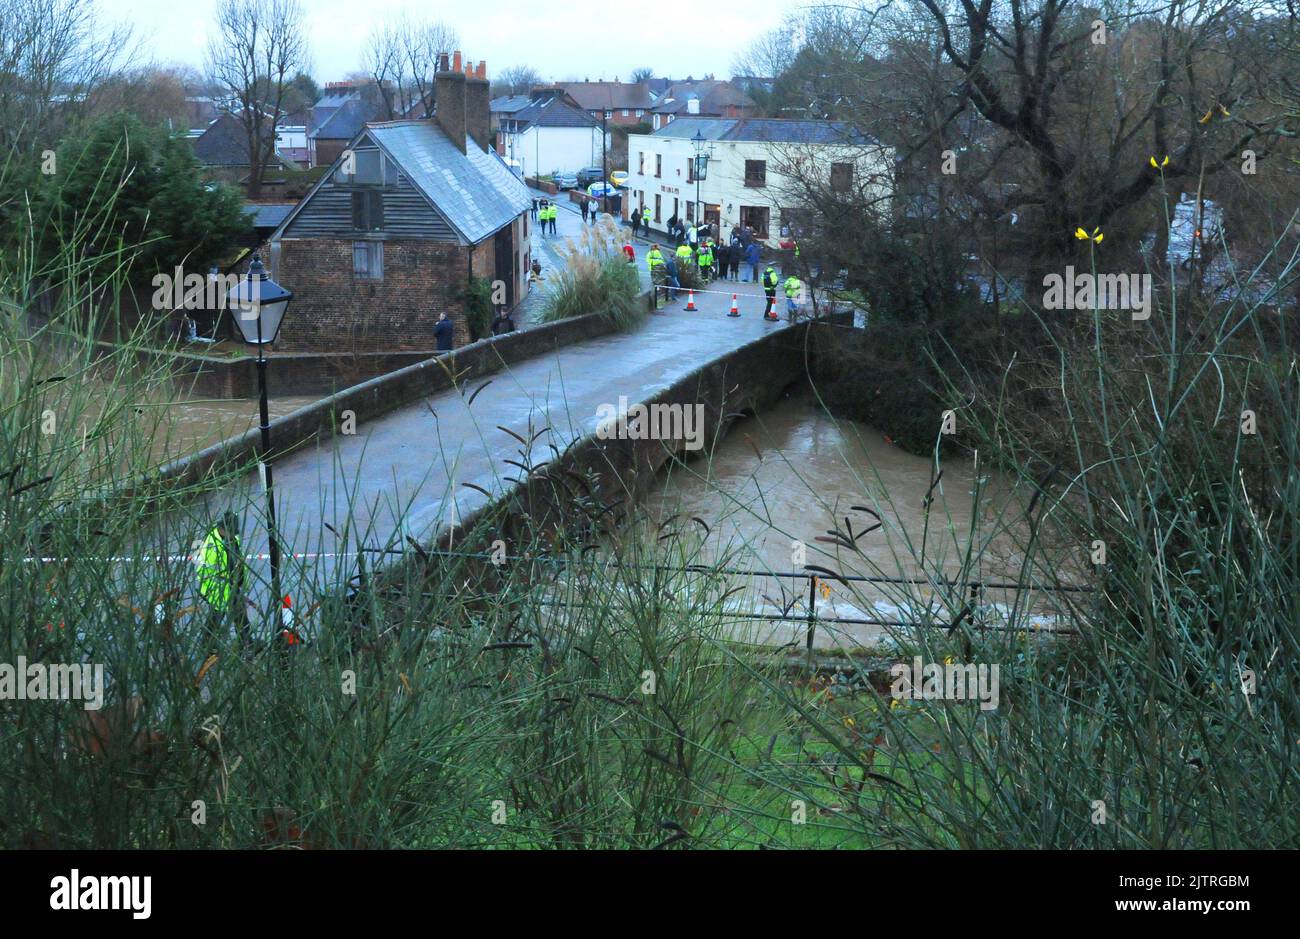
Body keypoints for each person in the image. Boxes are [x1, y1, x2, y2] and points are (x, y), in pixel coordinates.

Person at [196, 510, 249, 647]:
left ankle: (246, 641)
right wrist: (222, 582)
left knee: (238, 615)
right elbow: (201, 570)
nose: (234, 535)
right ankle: (207, 643)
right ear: (223, 529)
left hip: (232, 586)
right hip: (218, 589)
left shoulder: (231, 538)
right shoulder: (211, 545)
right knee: (218, 617)